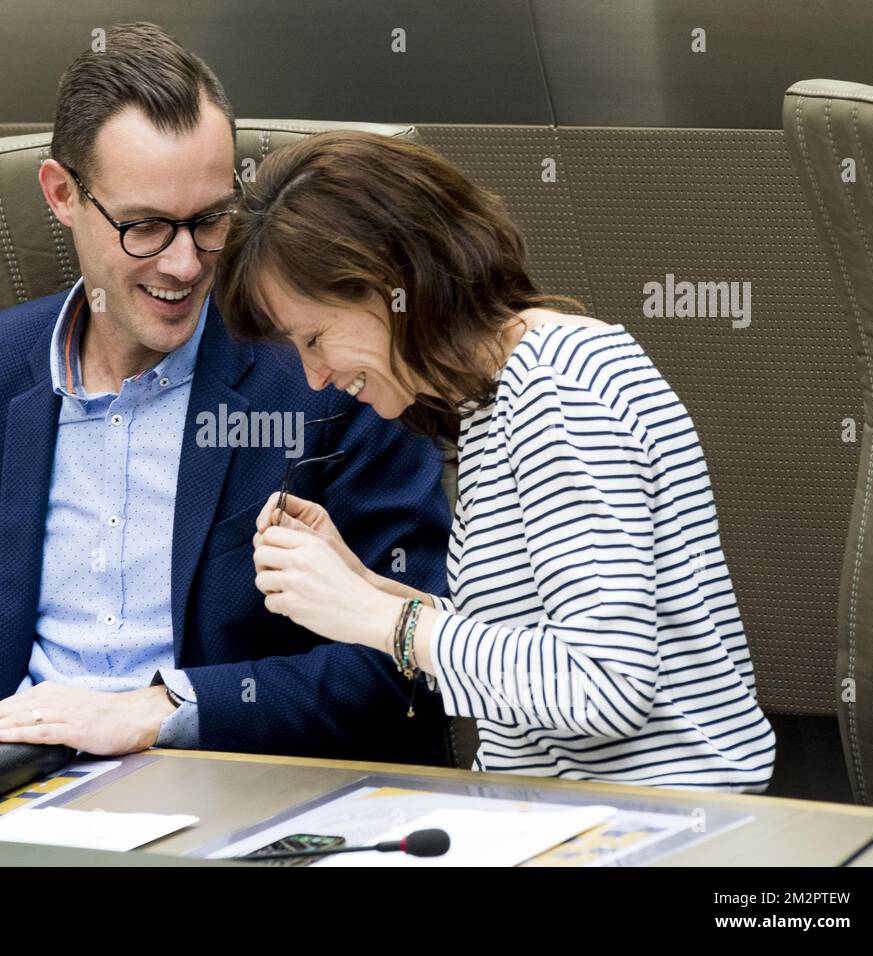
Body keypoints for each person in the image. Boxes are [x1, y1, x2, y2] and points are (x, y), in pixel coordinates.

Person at [0, 23, 453, 774]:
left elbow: (404, 657)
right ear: (63, 195)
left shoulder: (324, 370)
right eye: (147, 226)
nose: (186, 262)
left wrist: (158, 711)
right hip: (19, 786)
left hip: (233, 783)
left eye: (211, 219)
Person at [217, 130, 776, 791]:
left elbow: (605, 684)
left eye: (315, 338)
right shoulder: (503, 393)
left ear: (391, 281)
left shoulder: (557, 390)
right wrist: (361, 588)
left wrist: (378, 619)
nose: (313, 378)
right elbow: (526, 653)